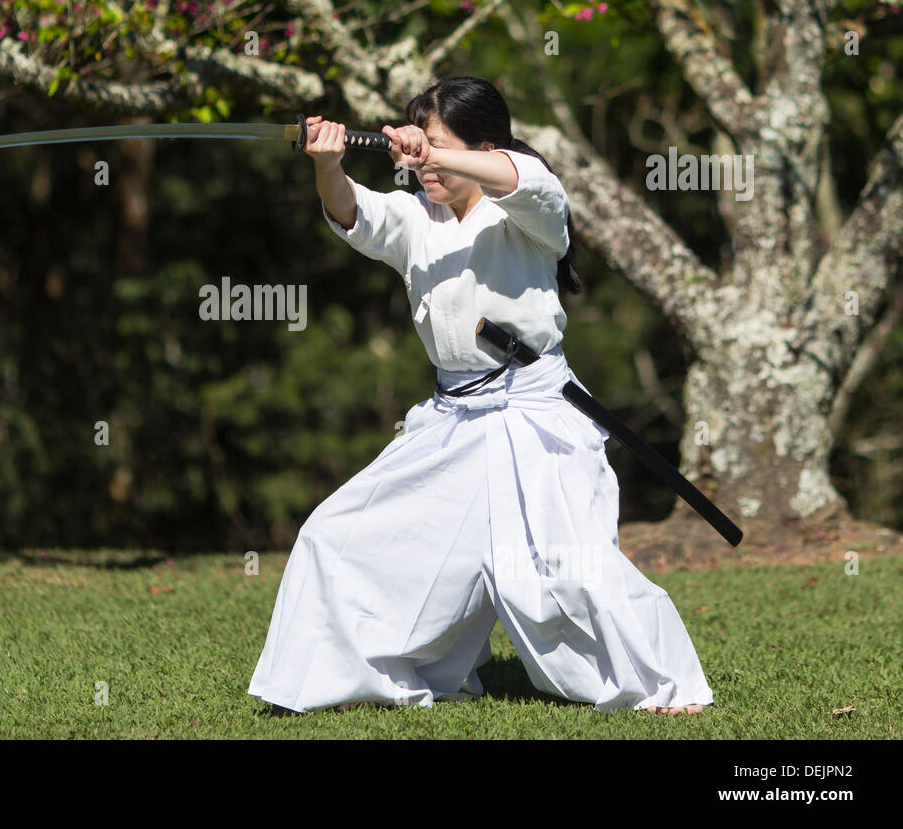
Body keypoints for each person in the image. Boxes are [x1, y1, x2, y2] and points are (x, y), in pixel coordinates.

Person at [247, 76, 713, 716]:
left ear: (480, 145)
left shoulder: (532, 212)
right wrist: (329, 164)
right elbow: (353, 210)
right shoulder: (417, 218)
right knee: (337, 535)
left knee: (568, 572)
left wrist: (430, 153)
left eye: (437, 144)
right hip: (451, 419)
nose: (420, 161)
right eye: (419, 144)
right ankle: (368, 678)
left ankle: (660, 687)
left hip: (536, 413)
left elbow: (521, 176)